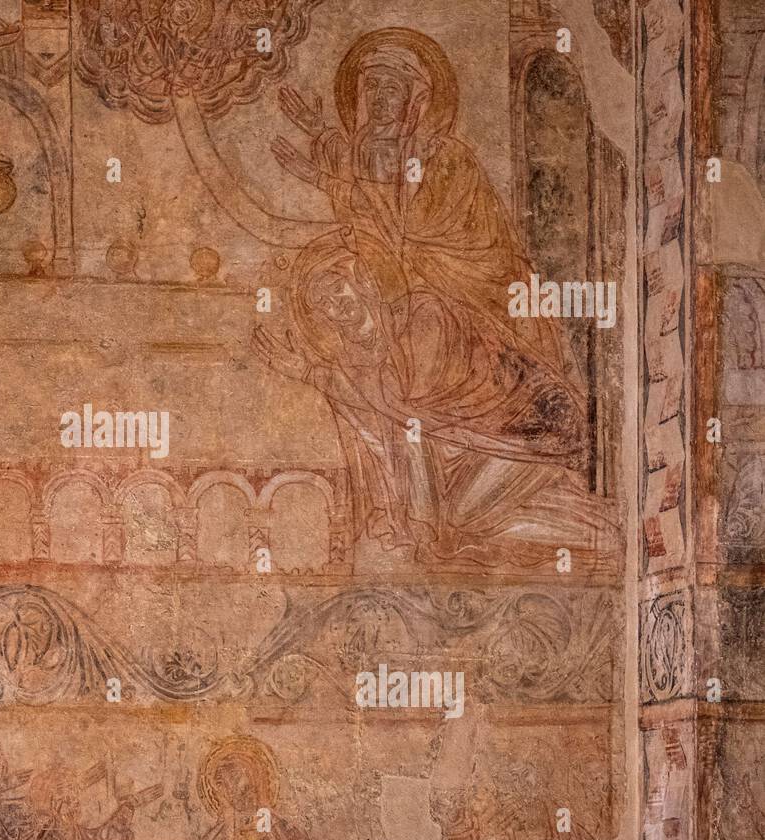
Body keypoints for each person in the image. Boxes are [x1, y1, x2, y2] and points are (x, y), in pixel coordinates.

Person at [257, 29, 616, 568]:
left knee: (462, 512)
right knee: (459, 511)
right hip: (466, 406)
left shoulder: (445, 160)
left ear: (416, 102)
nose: (378, 100)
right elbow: (375, 210)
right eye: (370, 88)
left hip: (487, 315)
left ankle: (593, 529)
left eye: (391, 89)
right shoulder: (372, 167)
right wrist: (322, 141)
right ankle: (435, 522)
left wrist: (327, 178)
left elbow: (410, 235)